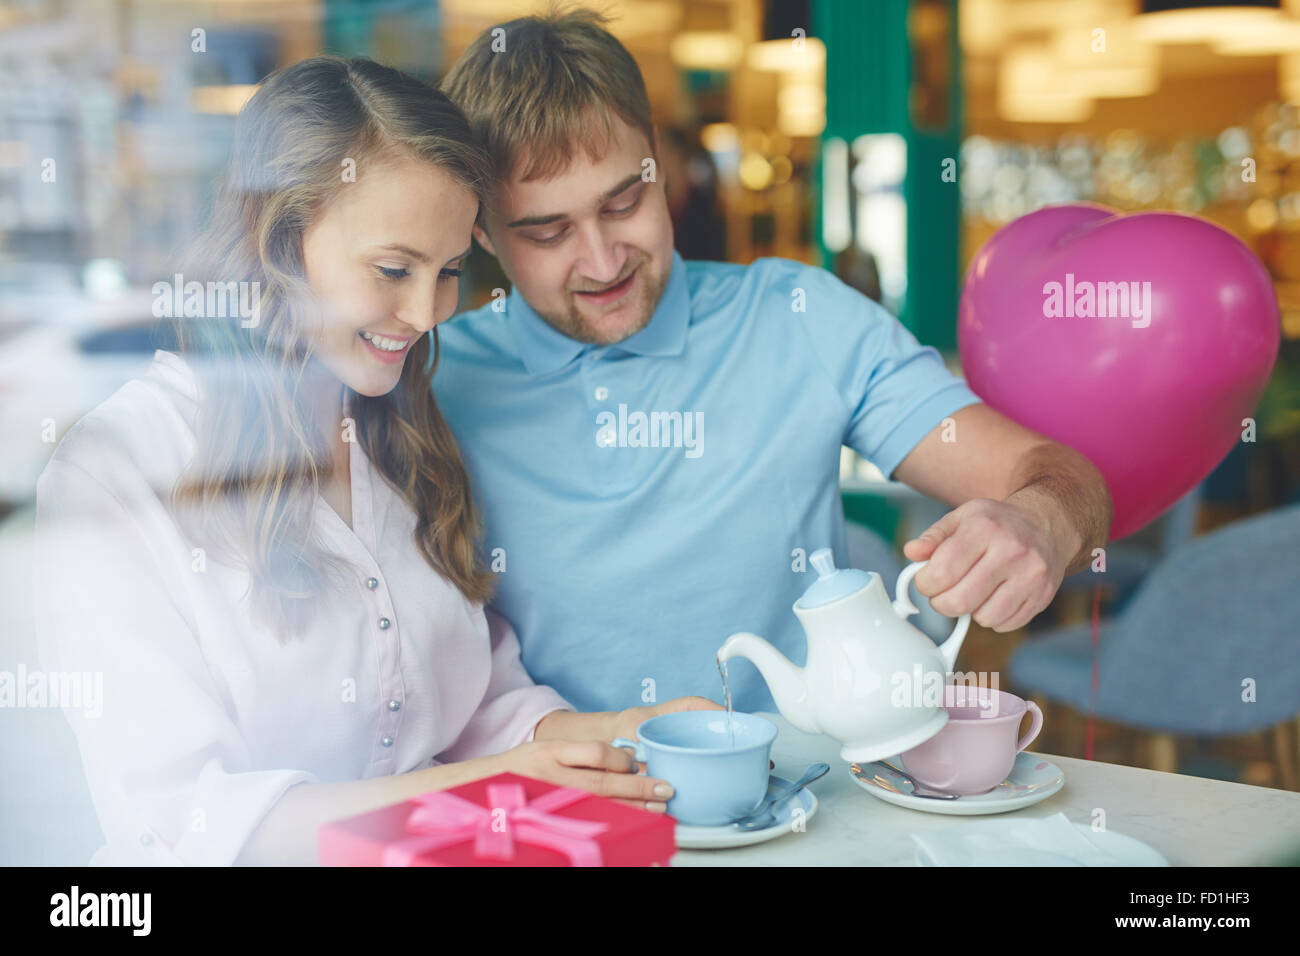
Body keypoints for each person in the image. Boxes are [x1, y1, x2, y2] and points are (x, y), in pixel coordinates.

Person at [34, 55, 710, 867]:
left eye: (451, 271)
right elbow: (186, 822)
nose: (426, 313)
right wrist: (490, 788)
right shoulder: (116, 470)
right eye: (392, 270)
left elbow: (475, 705)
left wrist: (604, 735)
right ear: (278, 241)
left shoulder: (400, 432)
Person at [434, 9, 1113, 714]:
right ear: (480, 229)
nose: (603, 261)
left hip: (806, 800)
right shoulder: (438, 379)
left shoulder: (800, 318)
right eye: (548, 233)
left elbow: (1059, 475)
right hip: (569, 811)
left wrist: (1042, 519)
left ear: (659, 165)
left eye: (624, 202)